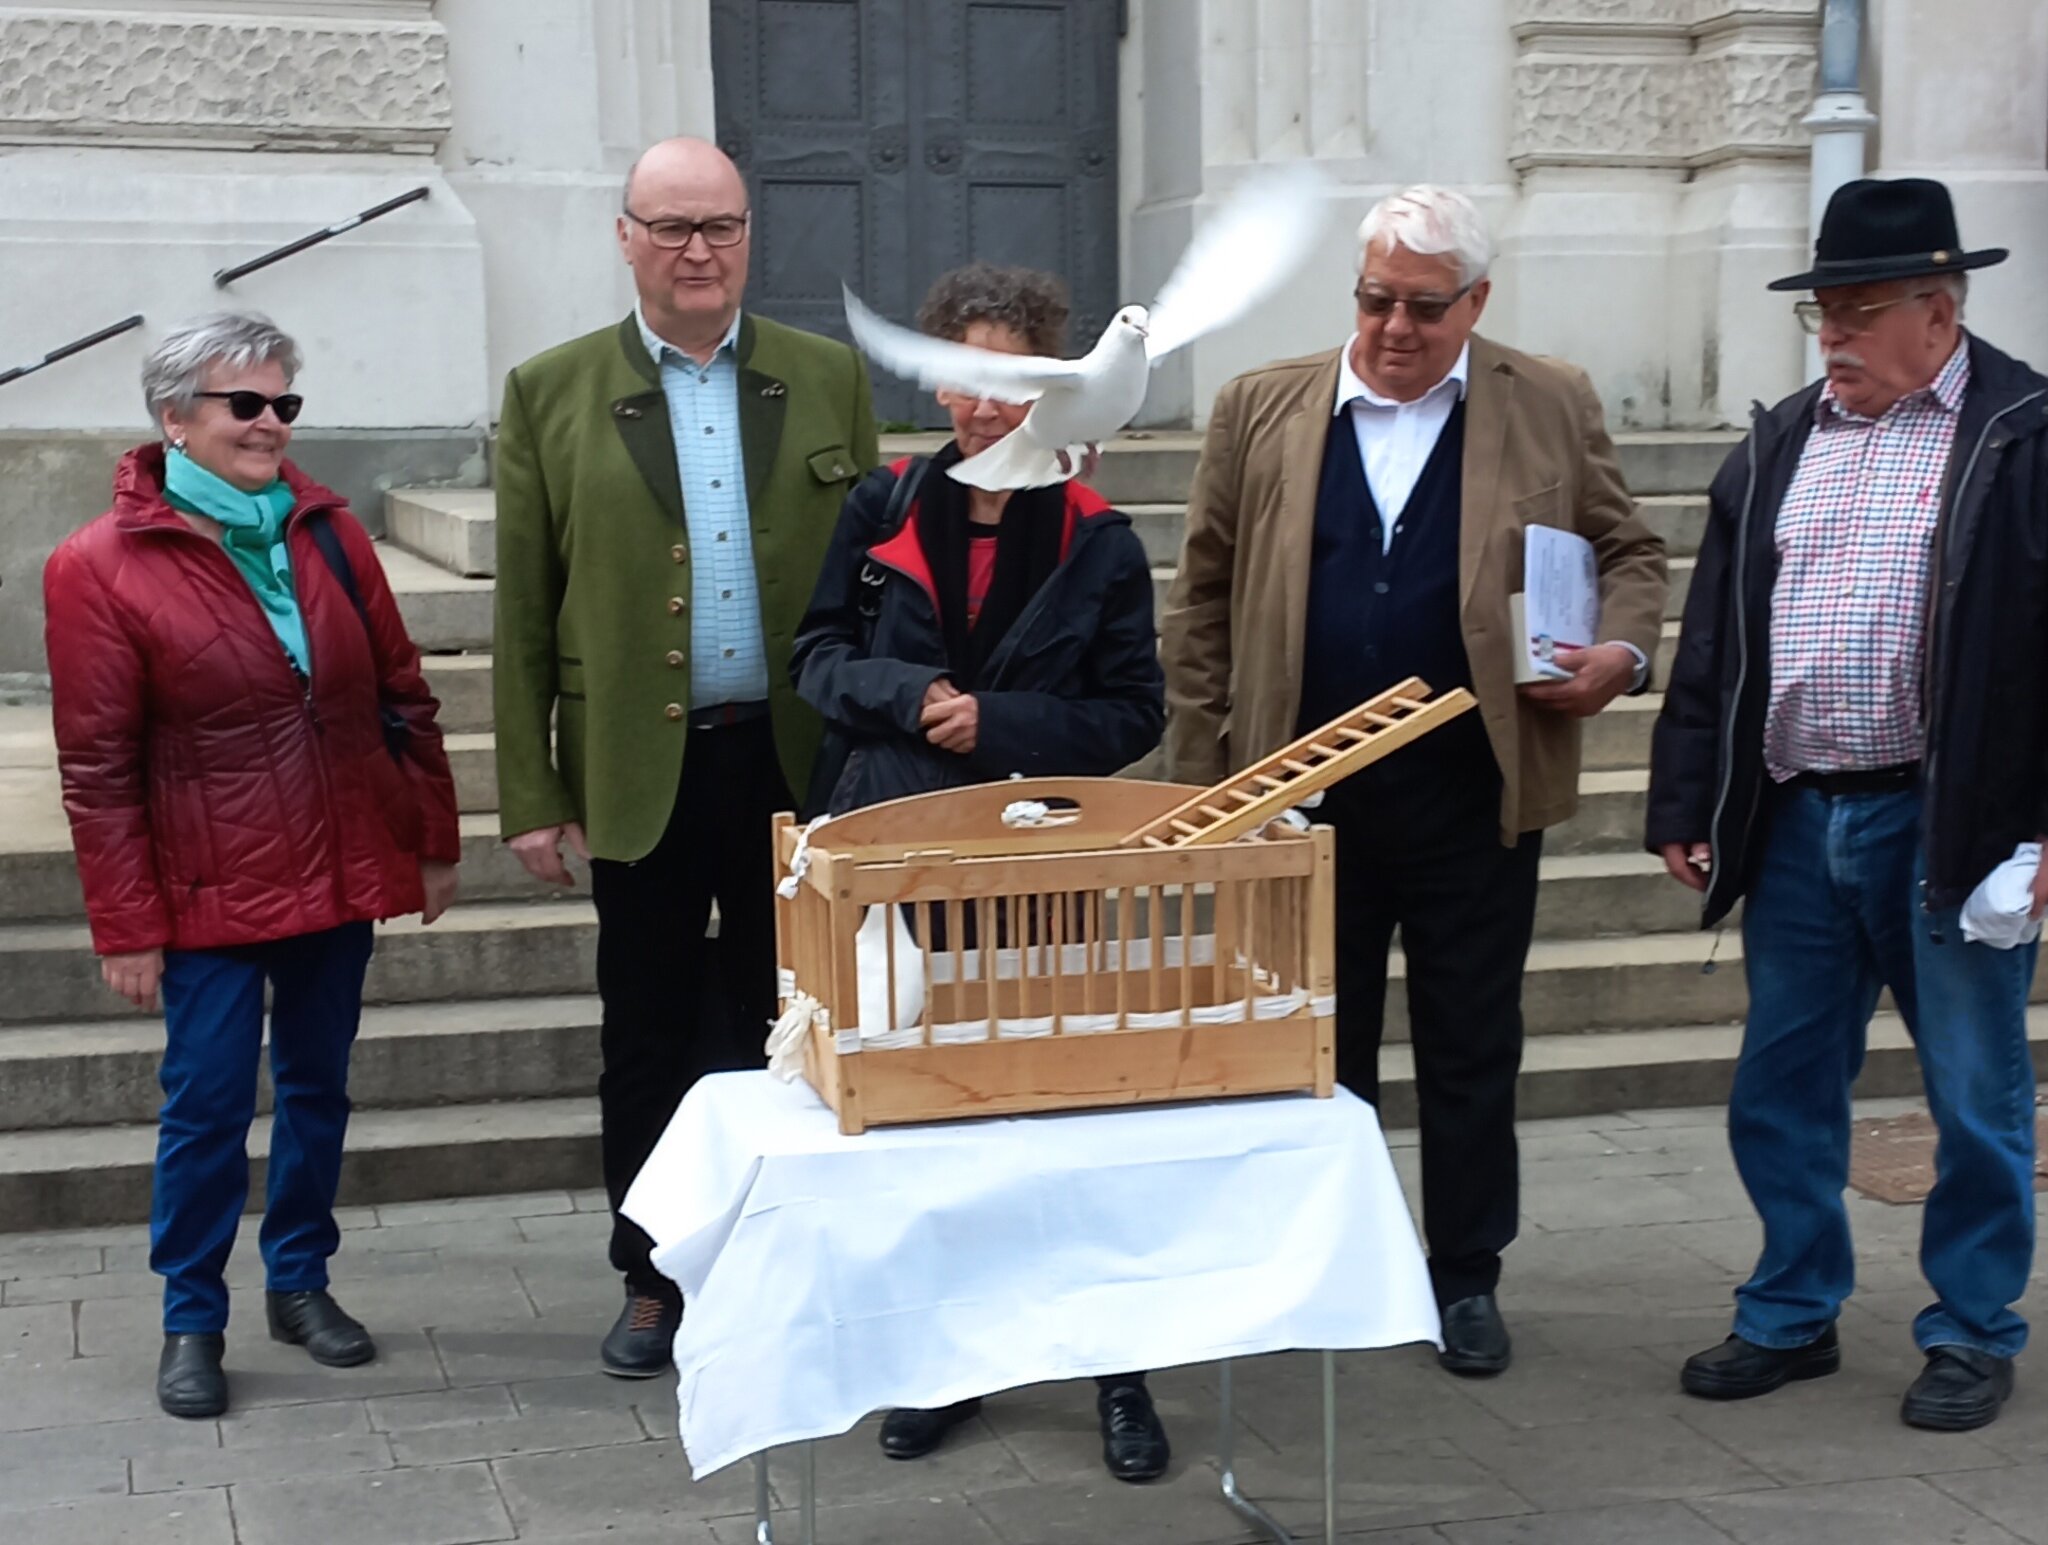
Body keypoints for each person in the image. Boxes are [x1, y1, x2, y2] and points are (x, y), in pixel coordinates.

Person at [1162, 185, 1667, 1376]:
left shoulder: (1544, 399)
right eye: (1375, 299)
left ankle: (1463, 1274)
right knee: (1305, 1052)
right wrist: (1204, 792)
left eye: (1424, 308)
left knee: (1468, 1041)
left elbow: (1627, 549)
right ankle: (1322, 1264)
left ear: (1475, 303)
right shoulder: (1260, 405)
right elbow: (1199, 605)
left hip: (1468, 793)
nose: (1393, 327)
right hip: (1297, 800)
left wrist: (1619, 652)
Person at [1648, 177, 2048, 1432]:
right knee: (1780, 1084)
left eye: (1856, 309)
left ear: (1939, 312)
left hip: (1951, 823)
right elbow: (1712, 633)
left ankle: (1971, 1330)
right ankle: (1788, 1308)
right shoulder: (1776, 443)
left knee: (1975, 1096)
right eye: (1820, 307)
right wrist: (1683, 792)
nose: (1830, 332)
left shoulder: (2022, 432)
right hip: (1796, 814)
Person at [493, 137, 880, 1378]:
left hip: (792, 772)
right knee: (647, 1035)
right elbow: (519, 609)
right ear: (624, 238)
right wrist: (529, 792)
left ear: (748, 234)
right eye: (669, 228)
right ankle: (651, 1275)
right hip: (634, 776)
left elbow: (877, 583)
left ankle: (787, 1259)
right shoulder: (549, 392)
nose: (697, 250)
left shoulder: (823, 379)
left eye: (717, 225)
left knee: (797, 1029)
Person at [41, 312, 462, 1420]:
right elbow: (97, 765)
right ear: (174, 419)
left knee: (319, 1091)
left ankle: (300, 1283)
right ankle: (192, 1316)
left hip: (337, 871)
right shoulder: (97, 567)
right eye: (246, 404)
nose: (271, 423)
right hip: (205, 888)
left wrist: (428, 840)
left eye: (285, 403)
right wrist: (125, 922)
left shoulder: (326, 532)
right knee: (209, 1108)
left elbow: (400, 697)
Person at [791, 262, 1169, 1480]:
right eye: (962, 378)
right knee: (932, 1122)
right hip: (894, 857)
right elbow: (816, 657)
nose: (980, 406)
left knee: (1077, 1114)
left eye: (1008, 383)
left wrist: (997, 723)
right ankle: (952, 1363)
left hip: (1047, 862)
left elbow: (1130, 715)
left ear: (1052, 387)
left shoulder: (1099, 539)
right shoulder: (883, 501)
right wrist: (910, 696)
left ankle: (1119, 1371)